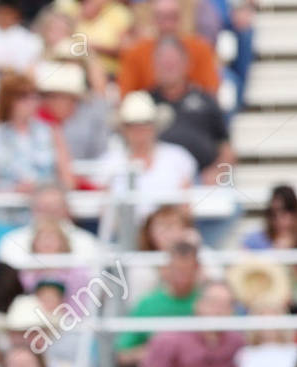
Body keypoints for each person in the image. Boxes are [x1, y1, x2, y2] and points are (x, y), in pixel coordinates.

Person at [0, 73, 74, 248]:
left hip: (47, 222)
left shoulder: (51, 132)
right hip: (6, 219)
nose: (31, 102)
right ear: (8, 100)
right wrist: (13, 191)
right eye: (23, 96)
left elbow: (68, 180)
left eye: (34, 96)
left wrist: (42, 188)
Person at [136, 279, 245, 367]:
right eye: (214, 303)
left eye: (226, 305)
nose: (218, 311)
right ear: (198, 304)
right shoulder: (169, 339)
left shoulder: (236, 341)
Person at [96, 91, 197, 223]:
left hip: (168, 233)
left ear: (154, 127)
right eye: (133, 126)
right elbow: (103, 209)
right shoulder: (109, 161)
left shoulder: (178, 157)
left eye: (145, 125)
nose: (140, 132)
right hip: (122, 235)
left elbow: (185, 207)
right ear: (124, 130)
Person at [149, 36, 232, 182]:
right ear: (154, 66)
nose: (169, 68)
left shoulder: (205, 100)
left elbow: (226, 148)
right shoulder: (145, 103)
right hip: (157, 180)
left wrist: (216, 171)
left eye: (173, 63)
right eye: (164, 63)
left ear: (186, 63)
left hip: (202, 180)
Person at [117, 236, 203, 367]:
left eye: (187, 270)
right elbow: (122, 354)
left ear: (197, 269)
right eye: (177, 270)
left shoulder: (209, 301)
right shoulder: (148, 304)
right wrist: (157, 352)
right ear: (165, 269)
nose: (182, 277)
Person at [118, 0, 220, 95]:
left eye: (172, 17)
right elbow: (127, 96)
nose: (167, 24)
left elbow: (211, 91)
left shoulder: (200, 50)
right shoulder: (136, 53)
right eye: (161, 17)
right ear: (153, 20)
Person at [243, 185, 297, 251]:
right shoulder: (255, 240)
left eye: (284, 213)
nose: (278, 219)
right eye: (273, 213)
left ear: (295, 212)